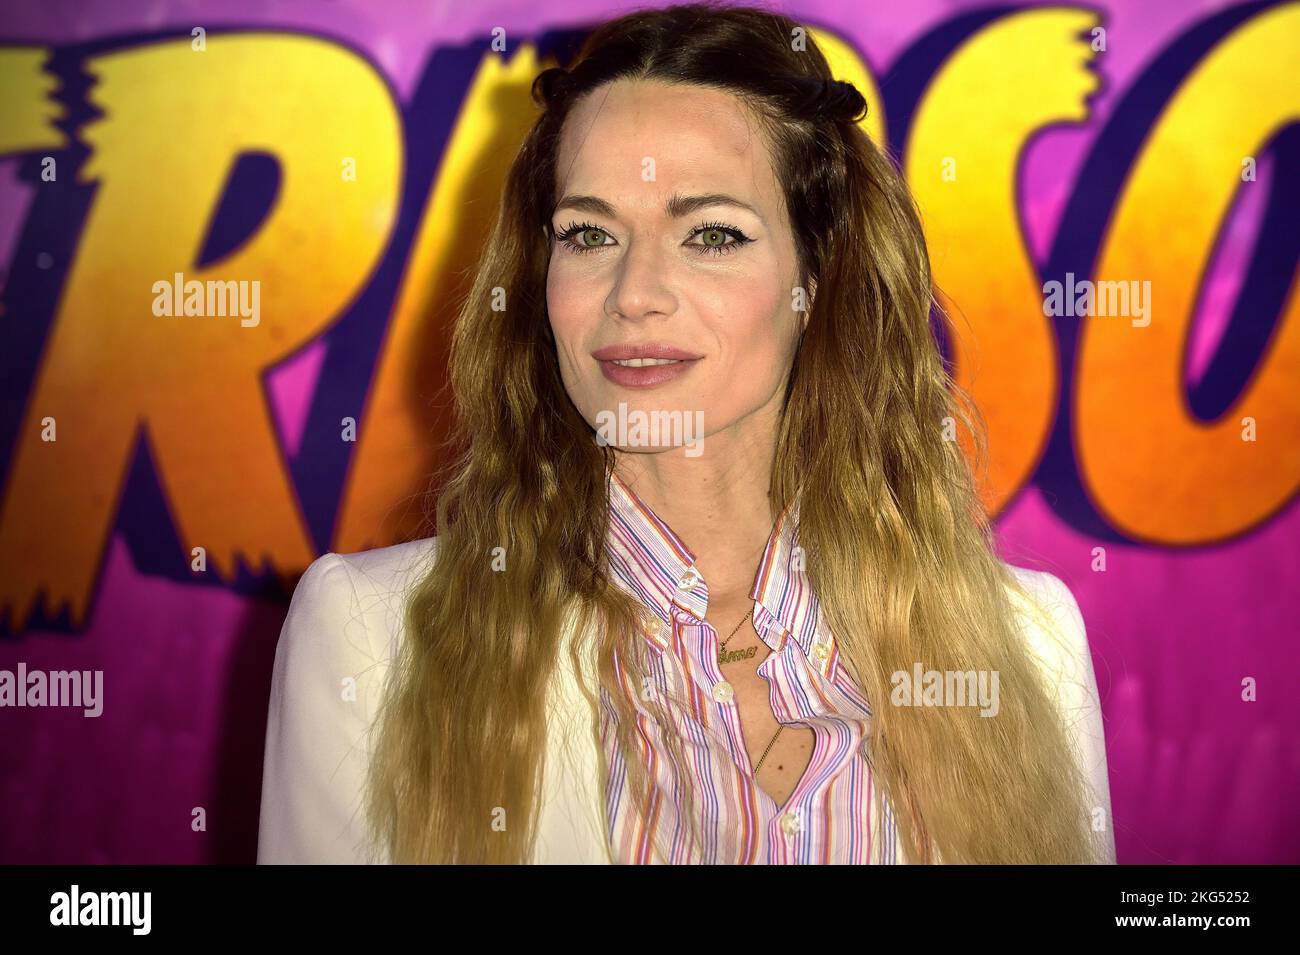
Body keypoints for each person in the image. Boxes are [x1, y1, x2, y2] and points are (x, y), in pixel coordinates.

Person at [257, 1, 1115, 865]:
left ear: (815, 280)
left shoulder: (1027, 646)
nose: (635, 292)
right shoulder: (373, 639)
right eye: (588, 233)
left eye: (710, 234)